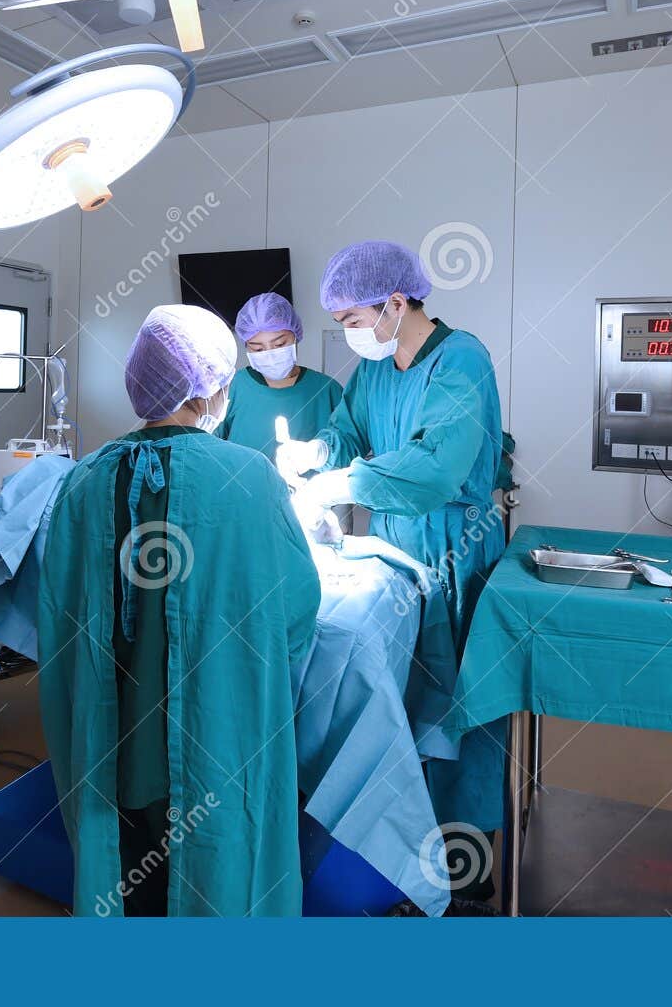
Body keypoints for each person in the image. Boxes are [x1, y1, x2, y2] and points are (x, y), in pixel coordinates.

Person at [35, 304, 321, 916]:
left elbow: (56, 615)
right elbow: (295, 612)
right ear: (210, 387)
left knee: (129, 883)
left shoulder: (83, 481)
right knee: (218, 876)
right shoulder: (249, 478)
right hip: (216, 739)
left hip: (116, 744)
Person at [278, 239, 506, 904]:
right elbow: (347, 432)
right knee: (398, 699)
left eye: (353, 319)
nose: (350, 332)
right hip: (396, 549)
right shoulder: (374, 369)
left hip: (457, 551)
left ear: (397, 302)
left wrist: (344, 483)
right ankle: (396, 852)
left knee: (459, 709)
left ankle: (465, 864)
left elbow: (437, 468)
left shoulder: (461, 360)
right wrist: (315, 454)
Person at [215, 292, 343, 464]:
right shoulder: (232, 387)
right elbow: (210, 449)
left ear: (296, 336)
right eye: (258, 349)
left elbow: (346, 448)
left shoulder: (327, 390)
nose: (270, 354)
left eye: (279, 344)